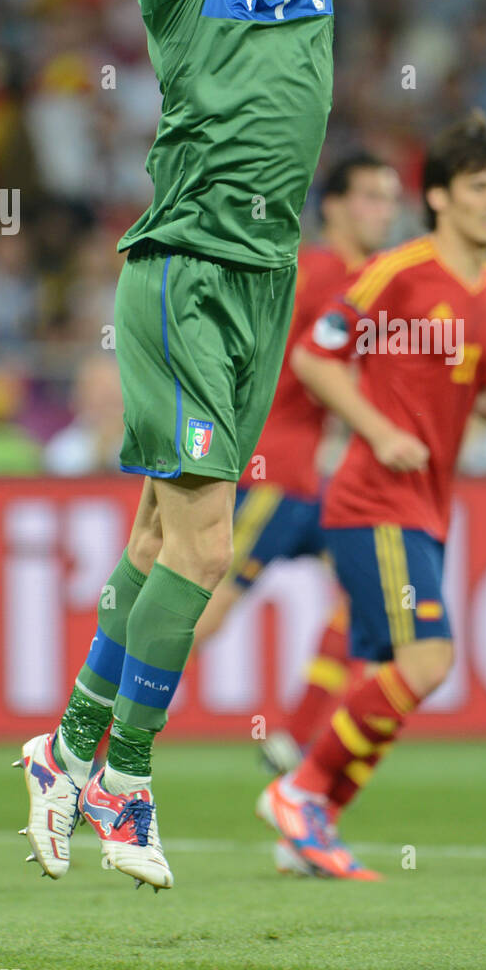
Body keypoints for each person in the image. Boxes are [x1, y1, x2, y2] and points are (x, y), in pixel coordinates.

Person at [16, 0, 410, 891]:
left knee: (154, 540)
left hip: (262, 288)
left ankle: (64, 748)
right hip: (184, 274)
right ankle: (125, 779)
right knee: (204, 546)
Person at [255, 111, 486, 878]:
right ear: (438, 197)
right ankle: (299, 792)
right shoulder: (399, 272)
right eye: (479, 187)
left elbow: (474, 380)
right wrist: (377, 430)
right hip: (372, 499)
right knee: (427, 662)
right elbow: (314, 357)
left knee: (382, 679)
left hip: (427, 507)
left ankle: (310, 824)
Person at [192, 153, 400, 777]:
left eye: (390, 197)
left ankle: (296, 737)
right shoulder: (317, 273)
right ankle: (98, 739)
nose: (382, 210)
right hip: (278, 467)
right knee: (210, 602)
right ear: (332, 205)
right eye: (369, 195)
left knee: (371, 599)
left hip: (327, 478)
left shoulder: (368, 278)